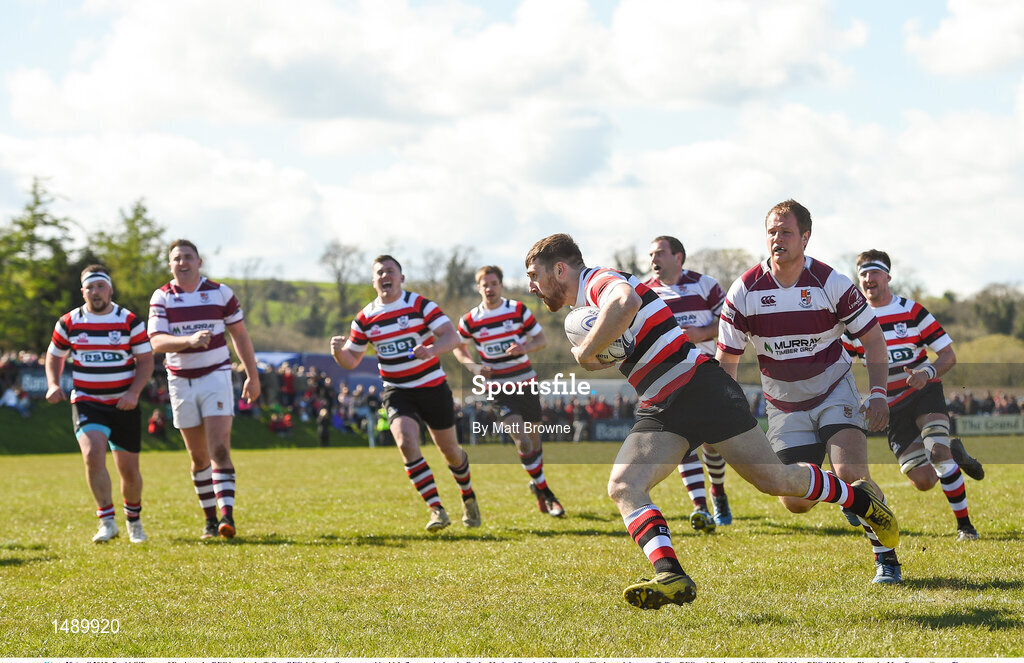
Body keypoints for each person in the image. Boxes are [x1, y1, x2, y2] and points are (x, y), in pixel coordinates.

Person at [525, 233, 898, 609]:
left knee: (776, 481)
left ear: (560, 269)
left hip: (700, 388)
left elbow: (626, 301)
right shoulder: (586, 308)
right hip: (662, 403)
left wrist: (585, 351)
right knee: (624, 485)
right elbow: (623, 337)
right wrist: (597, 352)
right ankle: (670, 574)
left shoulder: (598, 280)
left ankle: (859, 500)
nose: (531, 286)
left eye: (534, 275)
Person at [715, 199, 902, 584]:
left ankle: (887, 560)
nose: (777, 239)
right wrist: (721, 419)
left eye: (786, 232)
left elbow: (875, 342)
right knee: (795, 501)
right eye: (771, 232)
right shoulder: (744, 290)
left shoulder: (831, 283)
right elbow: (726, 364)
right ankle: (852, 499)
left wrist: (879, 393)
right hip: (784, 406)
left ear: (805, 237)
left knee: (852, 473)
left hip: (835, 392)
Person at [330, 255, 481, 531]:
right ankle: (436, 509)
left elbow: (451, 336)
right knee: (405, 442)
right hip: (397, 390)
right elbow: (351, 359)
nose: (385, 276)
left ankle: (467, 495)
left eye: (391, 271)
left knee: (449, 451)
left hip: (432, 386)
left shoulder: (420, 305)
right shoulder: (364, 318)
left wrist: (432, 349)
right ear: (374, 280)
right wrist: (338, 353)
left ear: (401, 278)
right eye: (379, 273)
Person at [845, 250, 983, 541]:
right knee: (923, 481)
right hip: (890, 407)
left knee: (937, 451)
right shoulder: (854, 323)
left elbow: (948, 354)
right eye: (863, 275)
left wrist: (927, 374)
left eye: (874, 273)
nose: (869, 279)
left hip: (923, 393)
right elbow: (841, 365)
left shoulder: (912, 311)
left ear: (888, 277)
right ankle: (955, 456)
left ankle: (965, 527)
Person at [148, 239, 261, 540]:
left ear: (199, 262)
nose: (182, 263)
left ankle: (227, 517)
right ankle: (210, 521)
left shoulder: (220, 293)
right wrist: (187, 341)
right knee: (198, 458)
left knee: (220, 448)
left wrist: (253, 375)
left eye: (188, 257)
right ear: (170, 265)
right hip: (181, 380)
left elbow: (240, 335)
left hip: (216, 375)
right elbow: (156, 341)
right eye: (177, 258)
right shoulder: (162, 297)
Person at [44, 265, 154, 543]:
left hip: (124, 403)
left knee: (128, 470)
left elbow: (146, 360)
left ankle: (134, 522)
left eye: (100, 286)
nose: (95, 292)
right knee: (93, 455)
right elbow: (55, 355)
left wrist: (134, 393)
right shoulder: (69, 322)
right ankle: (107, 521)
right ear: (83, 292)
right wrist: (54, 384)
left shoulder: (129, 321)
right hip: (87, 400)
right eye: (89, 288)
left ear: (110, 289)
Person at [453, 265, 565, 517]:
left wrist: (522, 347)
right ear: (478, 287)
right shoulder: (470, 320)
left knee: (535, 443)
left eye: (493, 283)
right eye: (485, 284)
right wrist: (473, 367)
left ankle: (538, 485)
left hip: (525, 384)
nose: (489, 288)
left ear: (501, 285)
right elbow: (458, 347)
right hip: (497, 389)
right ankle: (548, 494)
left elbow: (541, 340)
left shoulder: (517, 311)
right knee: (523, 441)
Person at [644, 235, 734, 532]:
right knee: (684, 442)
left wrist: (702, 334)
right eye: (651, 255)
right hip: (669, 377)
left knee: (712, 443)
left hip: (708, 372)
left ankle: (717, 491)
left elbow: (729, 324)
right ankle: (700, 506)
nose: (653, 260)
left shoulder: (705, 285)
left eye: (659, 253)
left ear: (678, 257)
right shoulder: (645, 291)